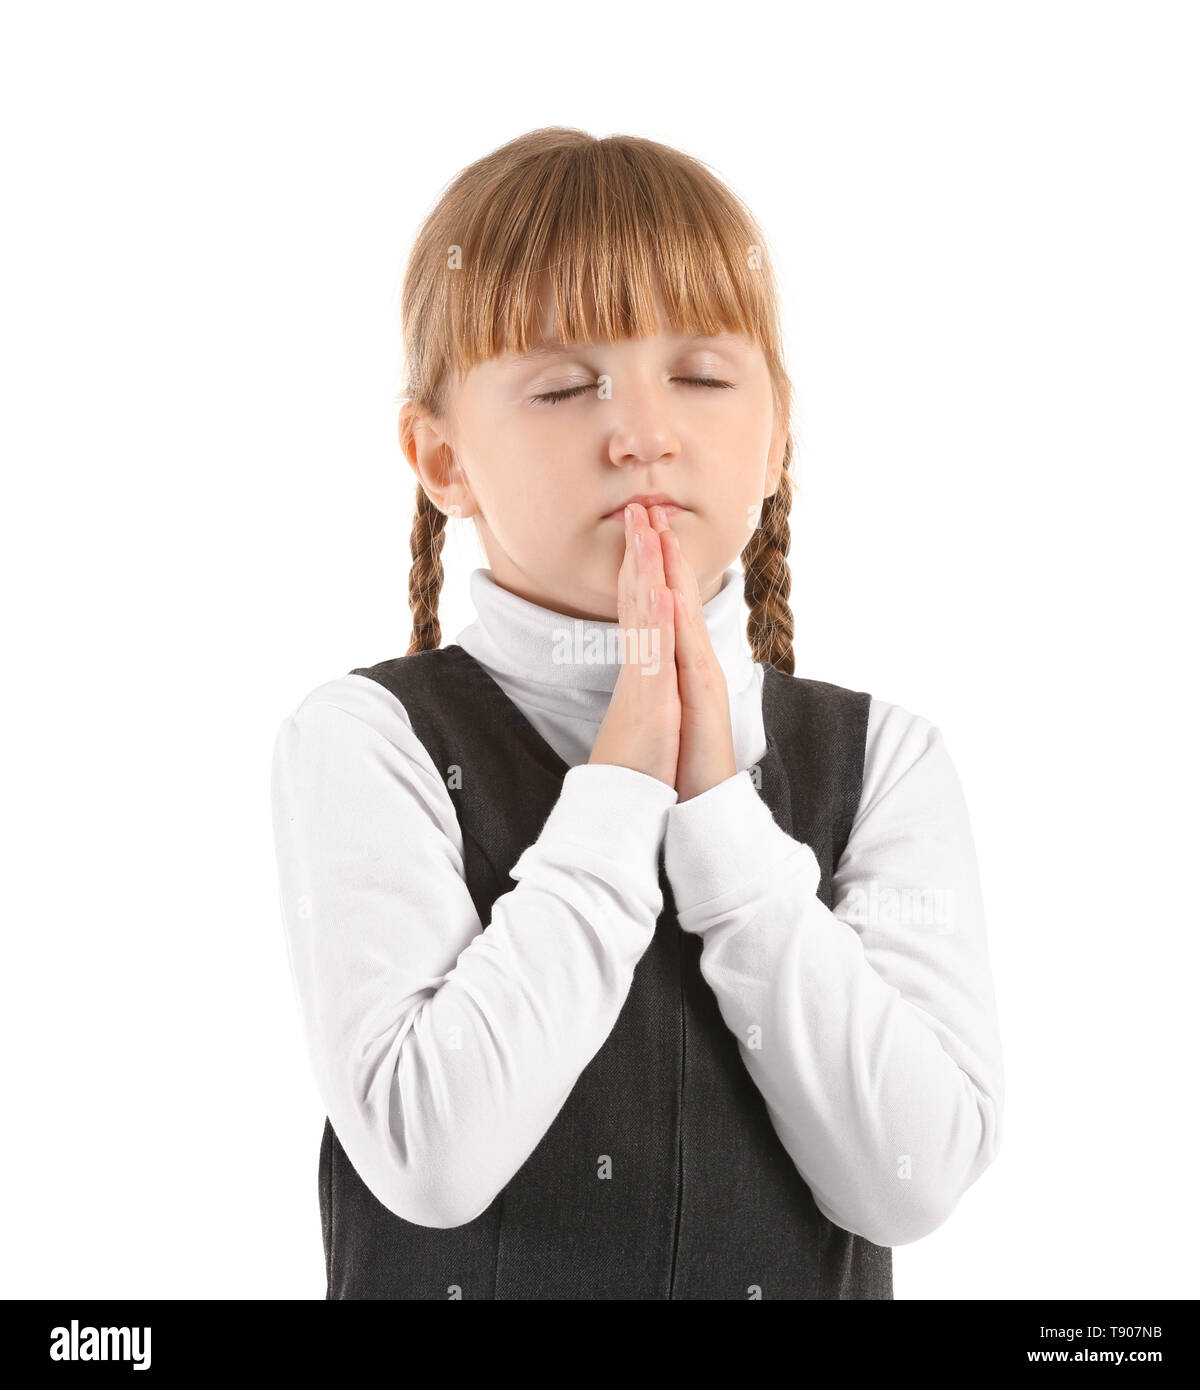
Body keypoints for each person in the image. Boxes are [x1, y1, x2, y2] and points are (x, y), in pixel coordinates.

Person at [269, 126, 1005, 1300]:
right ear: (442, 459)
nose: (643, 433)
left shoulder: (884, 762)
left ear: (776, 435)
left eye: (701, 376)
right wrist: (619, 785)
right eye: (565, 387)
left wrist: (719, 813)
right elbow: (430, 1156)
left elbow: (910, 1181)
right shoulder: (365, 742)